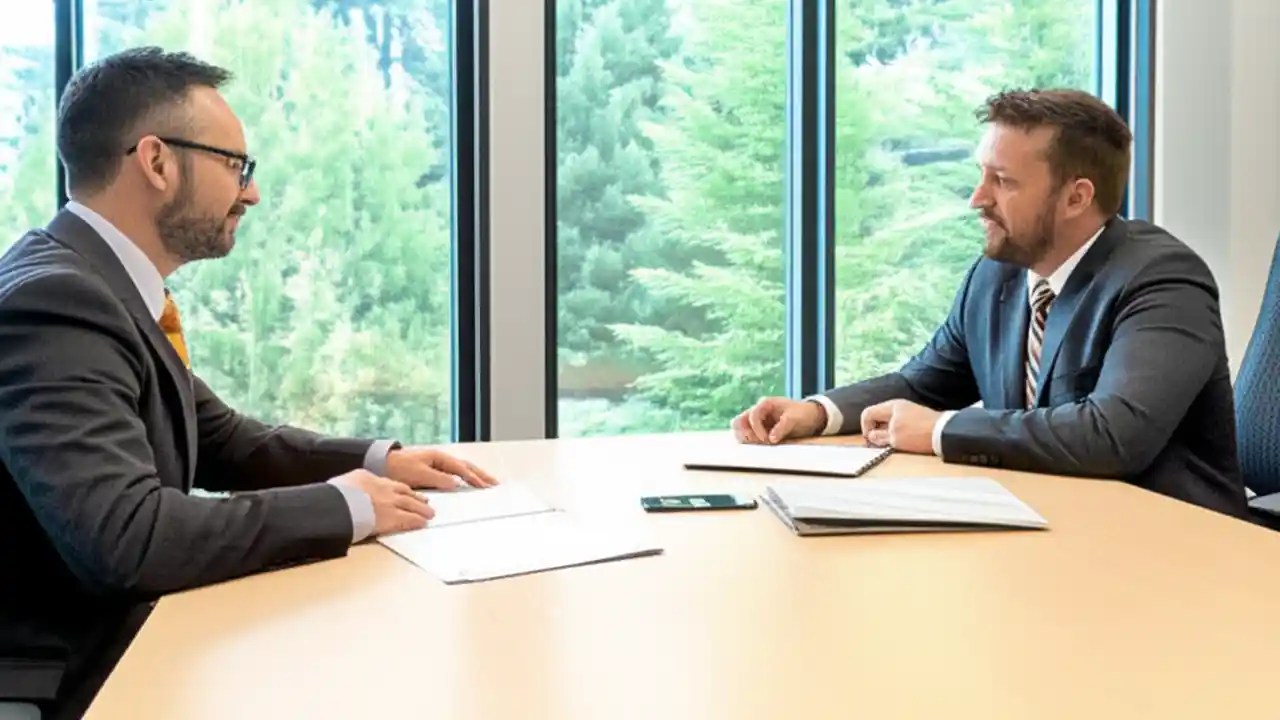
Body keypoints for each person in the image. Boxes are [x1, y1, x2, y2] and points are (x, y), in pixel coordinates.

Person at [0, 47, 495, 717]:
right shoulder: (57, 302)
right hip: (77, 684)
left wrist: (378, 461)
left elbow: (220, 439)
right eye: (235, 165)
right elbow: (126, 537)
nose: (251, 191)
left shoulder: (95, 283)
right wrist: (341, 506)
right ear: (156, 161)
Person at [733, 88, 1247, 521]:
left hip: (1167, 541)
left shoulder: (1161, 280)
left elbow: (1113, 436)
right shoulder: (997, 274)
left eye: (1002, 181)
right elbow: (922, 384)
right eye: (983, 175)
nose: (977, 198)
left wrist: (939, 429)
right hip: (1050, 525)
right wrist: (817, 412)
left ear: (1076, 198)